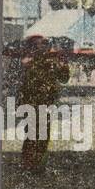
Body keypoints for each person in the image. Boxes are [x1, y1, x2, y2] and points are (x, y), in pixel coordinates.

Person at [19, 35, 68, 174]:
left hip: (46, 102)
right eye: (40, 44)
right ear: (32, 47)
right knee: (31, 134)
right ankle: (28, 164)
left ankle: (38, 165)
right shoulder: (26, 60)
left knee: (44, 134)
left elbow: (64, 78)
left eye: (45, 44)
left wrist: (63, 65)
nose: (44, 46)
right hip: (30, 102)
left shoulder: (52, 61)